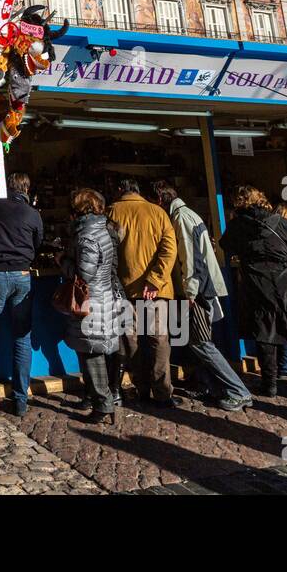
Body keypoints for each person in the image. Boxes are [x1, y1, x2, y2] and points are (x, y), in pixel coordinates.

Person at [153, 181, 253, 412]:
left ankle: (238, 391)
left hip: (197, 290)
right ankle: (209, 384)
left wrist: (189, 290)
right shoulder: (187, 214)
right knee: (196, 341)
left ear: (159, 200)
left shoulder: (180, 218)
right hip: (201, 287)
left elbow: (191, 257)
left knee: (201, 343)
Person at [220, 186, 287, 400]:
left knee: (265, 335)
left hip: (257, 284)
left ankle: (269, 385)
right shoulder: (282, 223)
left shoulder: (237, 225)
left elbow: (225, 246)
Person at [0, 172, 44, 417]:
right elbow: (38, 243)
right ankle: (20, 401)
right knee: (22, 337)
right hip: (23, 276)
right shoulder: (33, 214)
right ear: (26, 189)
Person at [108, 178, 179, 406]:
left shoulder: (112, 212)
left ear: (121, 190)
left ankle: (142, 388)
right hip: (156, 290)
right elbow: (170, 250)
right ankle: (162, 392)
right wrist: (155, 280)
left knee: (131, 341)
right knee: (159, 340)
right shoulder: (158, 212)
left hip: (125, 289)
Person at [61, 188, 125, 423]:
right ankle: (103, 402)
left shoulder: (87, 234)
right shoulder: (102, 229)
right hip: (103, 297)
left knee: (90, 353)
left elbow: (84, 274)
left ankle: (103, 404)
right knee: (94, 350)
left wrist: (64, 262)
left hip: (91, 302)